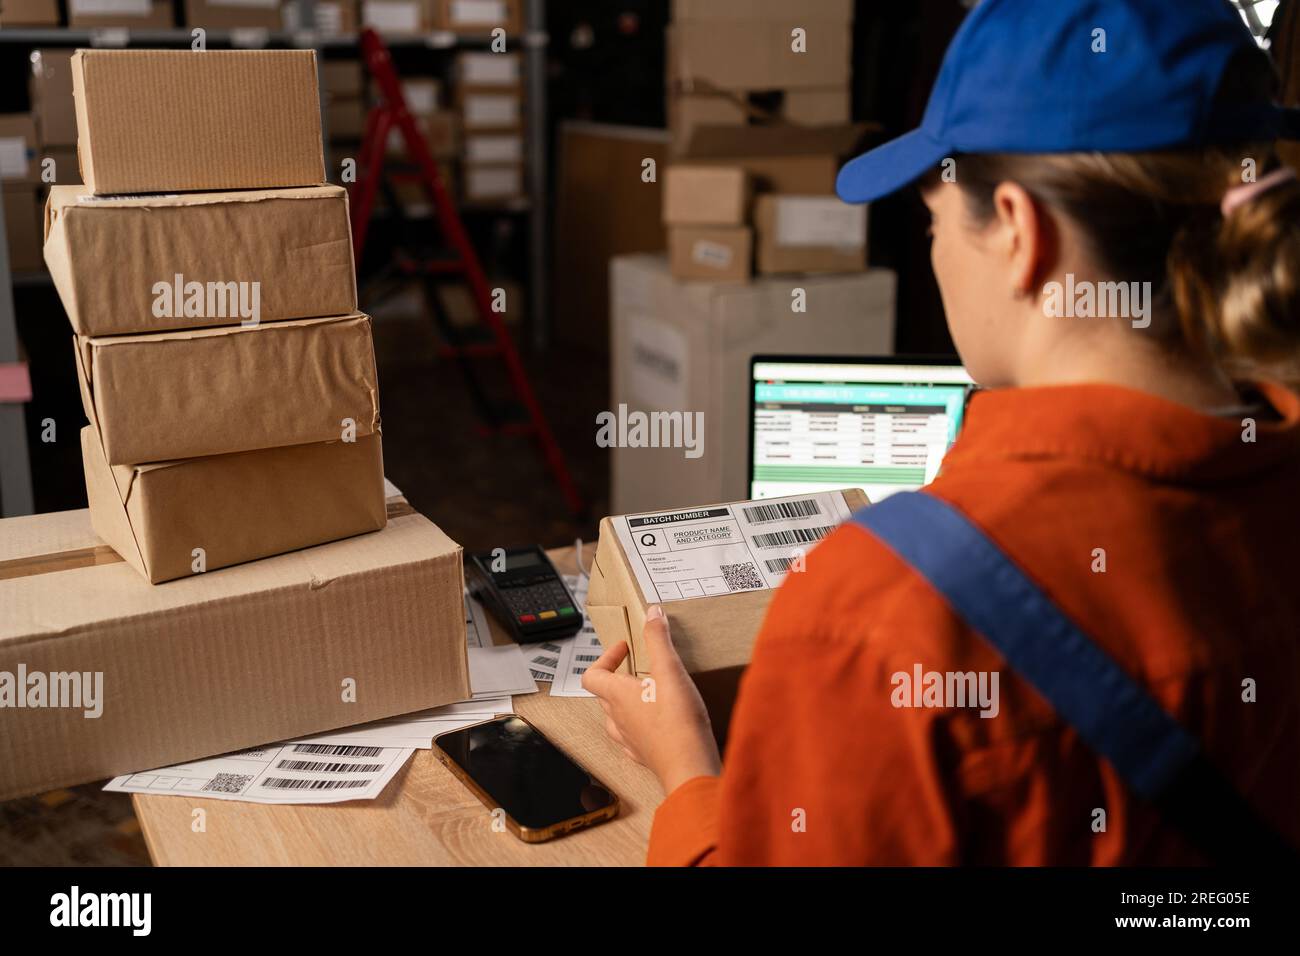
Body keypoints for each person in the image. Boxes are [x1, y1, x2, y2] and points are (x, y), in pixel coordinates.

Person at [583, 0, 1300, 865]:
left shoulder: (881, 615)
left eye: (932, 220)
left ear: (1021, 233)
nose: (932, 248)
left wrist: (689, 774)